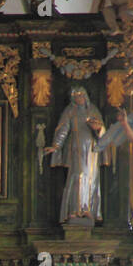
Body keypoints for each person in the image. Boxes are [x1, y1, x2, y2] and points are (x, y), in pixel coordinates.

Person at [44, 84, 111, 223]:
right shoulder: (70, 111)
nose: (79, 98)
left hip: (92, 149)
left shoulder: (93, 110)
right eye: (75, 96)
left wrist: (98, 128)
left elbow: (103, 131)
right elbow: (63, 129)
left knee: (92, 178)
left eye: (80, 95)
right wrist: (56, 146)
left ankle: (89, 210)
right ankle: (75, 210)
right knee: (78, 175)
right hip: (76, 147)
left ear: (85, 96)